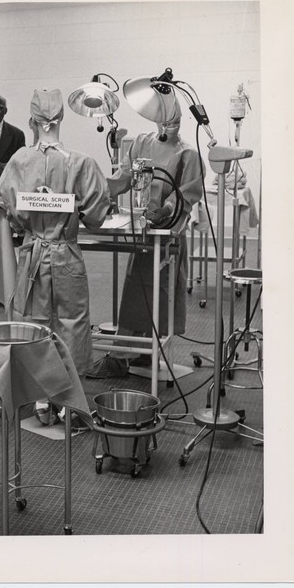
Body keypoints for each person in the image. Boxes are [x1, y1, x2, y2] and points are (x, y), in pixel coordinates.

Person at [88, 94, 203, 379]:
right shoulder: (142, 142)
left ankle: (125, 354)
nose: (171, 127)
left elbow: (185, 197)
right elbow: (124, 177)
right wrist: (97, 190)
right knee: (138, 290)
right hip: (142, 231)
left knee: (153, 292)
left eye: (175, 121)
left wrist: (164, 210)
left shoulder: (188, 154)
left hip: (167, 233)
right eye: (165, 121)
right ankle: (136, 351)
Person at [0, 89, 110, 378]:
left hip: (33, 252)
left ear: (31, 121)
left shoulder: (18, 162)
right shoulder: (82, 162)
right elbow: (97, 216)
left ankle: (38, 396)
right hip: (66, 255)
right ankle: (67, 399)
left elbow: (15, 217)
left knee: (32, 321)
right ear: (61, 117)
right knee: (71, 322)